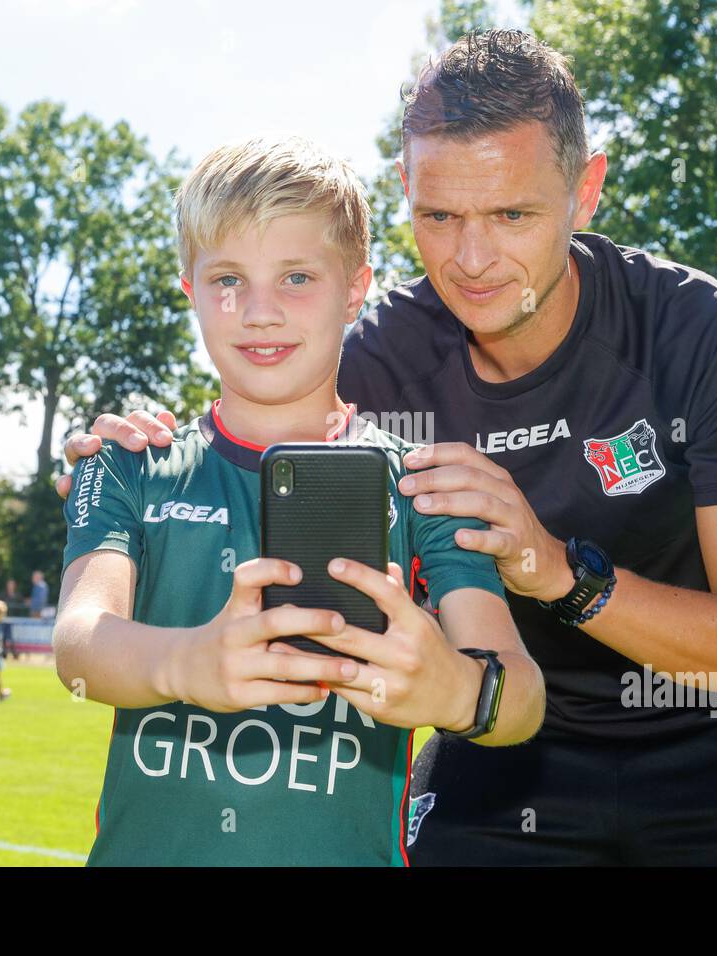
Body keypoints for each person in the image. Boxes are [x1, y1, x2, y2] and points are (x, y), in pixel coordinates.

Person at [59, 29, 717, 865]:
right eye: (439, 216)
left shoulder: (701, 333)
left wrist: (558, 570)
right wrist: (131, 447)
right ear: (407, 190)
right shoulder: (376, 352)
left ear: (585, 189)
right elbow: (261, 375)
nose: (473, 259)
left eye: (513, 214)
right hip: (508, 755)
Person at [52, 135, 544, 866]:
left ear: (354, 289)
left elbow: (523, 699)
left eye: (296, 278)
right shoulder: (128, 463)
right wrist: (189, 662)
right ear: (189, 289)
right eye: (226, 280)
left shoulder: (424, 485)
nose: (258, 312)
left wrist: (456, 691)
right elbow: (78, 643)